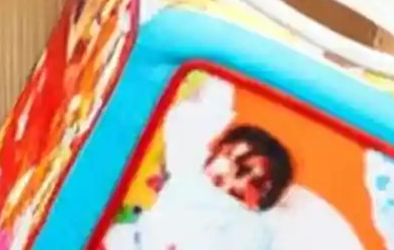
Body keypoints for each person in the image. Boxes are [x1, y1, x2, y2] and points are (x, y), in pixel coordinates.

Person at [102, 76, 295, 249]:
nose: (231, 174)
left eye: (253, 182)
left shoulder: (250, 226)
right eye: (233, 160)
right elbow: (210, 103)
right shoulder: (188, 166)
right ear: (215, 148)